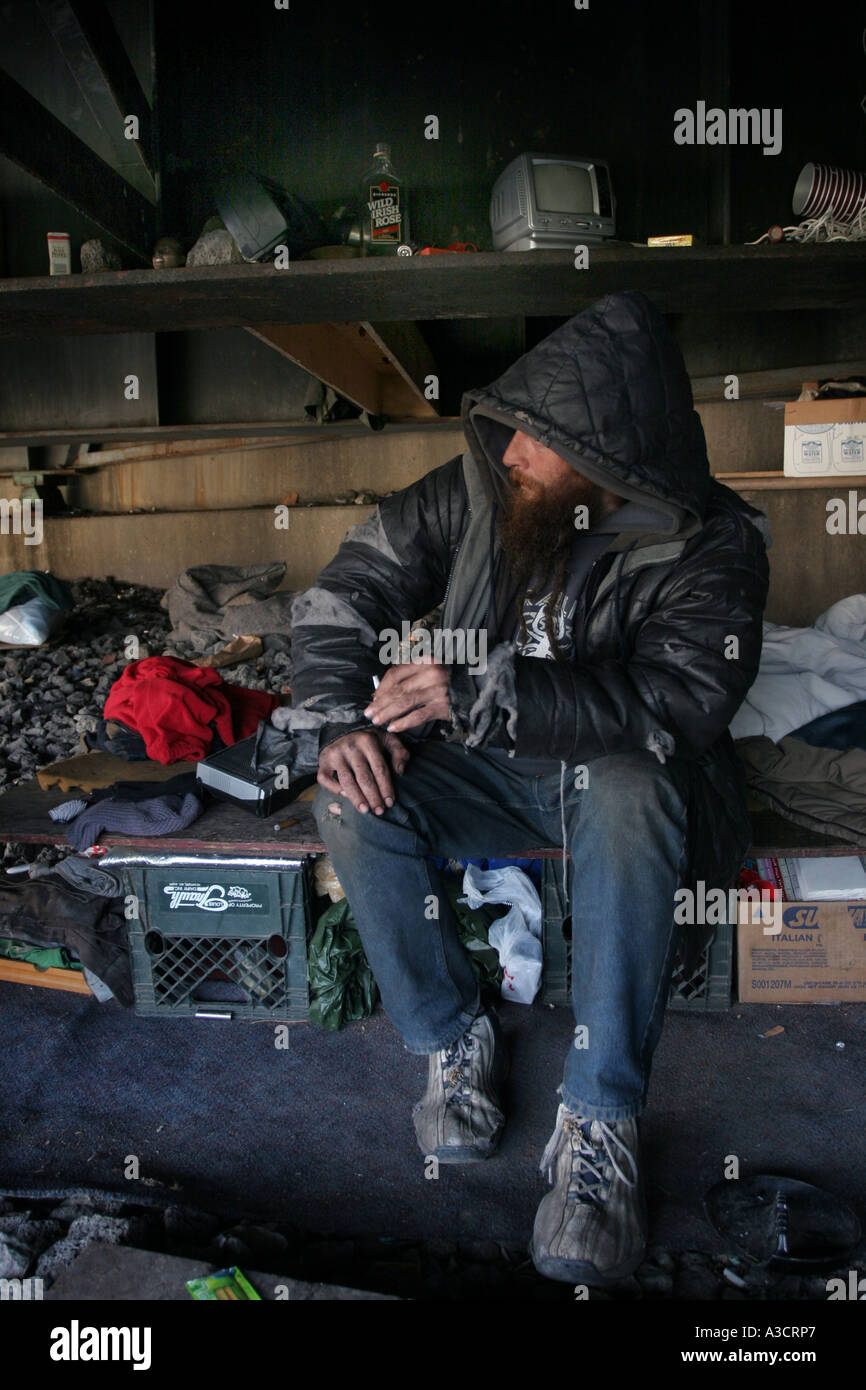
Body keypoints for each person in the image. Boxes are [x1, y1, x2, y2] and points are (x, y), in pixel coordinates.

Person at [288, 289, 770, 1285]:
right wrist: (335, 718)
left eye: (536, 438)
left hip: (615, 779)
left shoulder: (709, 540)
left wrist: (487, 690)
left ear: (605, 458)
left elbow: (679, 701)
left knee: (634, 788)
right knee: (349, 789)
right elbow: (350, 582)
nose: (508, 449)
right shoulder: (484, 488)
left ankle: (598, 1122)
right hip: (492, 768)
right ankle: (450, 1033)